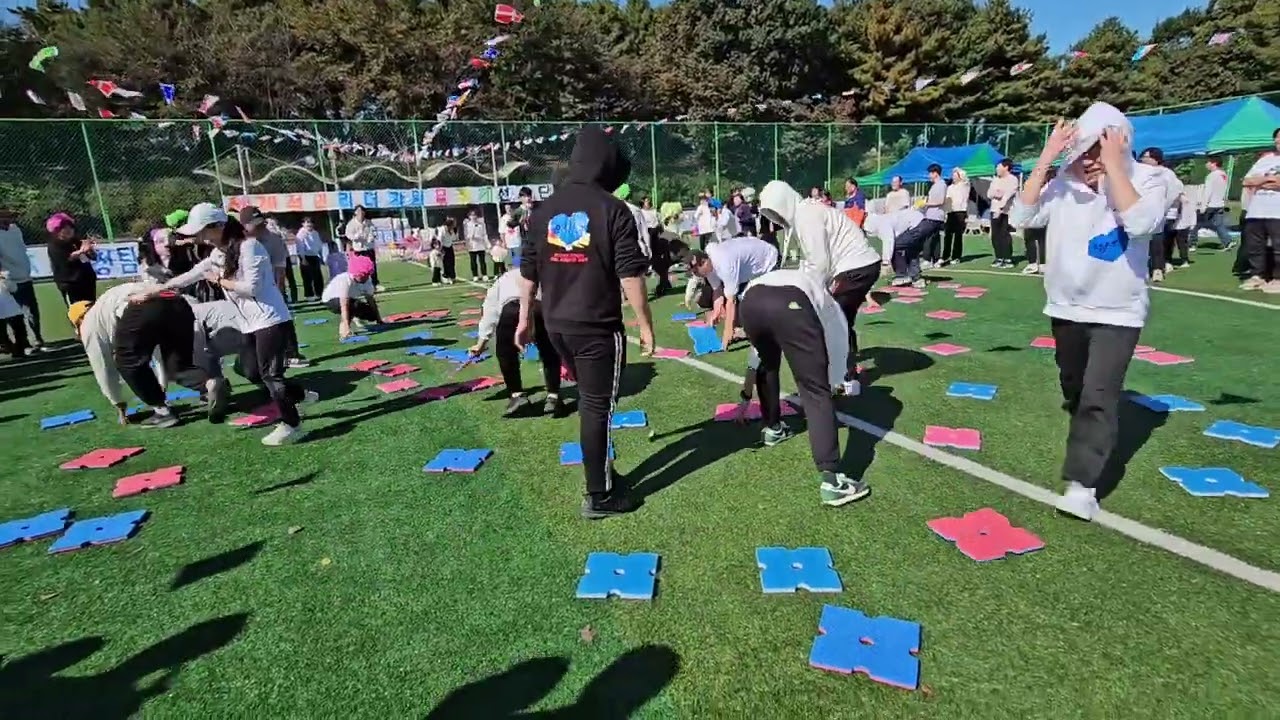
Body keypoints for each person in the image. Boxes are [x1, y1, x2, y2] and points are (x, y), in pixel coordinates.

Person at [1011, 103, 1166, 521]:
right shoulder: (1063, 184)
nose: (1090, 162)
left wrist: (1115, 169)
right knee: (1074, 385)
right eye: (1084, 153)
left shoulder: (1153, 179)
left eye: (1099, 150)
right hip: (1066, 306)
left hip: (1119, 311)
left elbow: (1140, 225)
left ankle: (1082, 485)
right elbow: (1021, 215)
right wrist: (1047, 160)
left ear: (1121, 145)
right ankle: (1088, 420)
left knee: (1098, 394)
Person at [518, 126, 656, 519]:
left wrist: (525, 318)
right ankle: (600, 495)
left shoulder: (544, 209)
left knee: (590, 406)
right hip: (596, 327)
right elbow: (630, 273)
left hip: (557, 325)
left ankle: (603, 476)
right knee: (597, 409)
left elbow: (528, 270)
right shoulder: (613, 209)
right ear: (604, 163)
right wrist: (645, 324)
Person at [135, 202, 316, 445]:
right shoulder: (218, 253)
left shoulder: (250, 247)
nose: (198, 237)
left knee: (270, 375)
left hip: (271, 319)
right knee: (252, 371)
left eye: (203, 230)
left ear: (219, 226)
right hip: (249, 322)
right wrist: (155, 291)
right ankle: (302, 394)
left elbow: (252, 288)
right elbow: (191, 275)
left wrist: (219, 280)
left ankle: (292, 425)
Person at [737, 268, 870, 506]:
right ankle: (832, 482)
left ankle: (772, 428)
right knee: (815, 390)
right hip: (790, 303)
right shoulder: (828, 304)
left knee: (768, 366)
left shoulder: (779, 279)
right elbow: (838, 353)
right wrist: (843, 385)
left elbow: (755, 358)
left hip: (750, 303)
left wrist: (746, 396)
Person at [758, 180, 882, 395]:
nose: (776, 218)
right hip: (856, 266)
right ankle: (844, 373)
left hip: (856, 266)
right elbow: (802, 262)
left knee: (836, 321)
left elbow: (819, 263)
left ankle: (845, 377)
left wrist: (808, 294)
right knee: (839, 320)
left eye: (776, 212)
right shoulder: (801, 217)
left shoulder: (807, 216)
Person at [68, 281, 223, 428]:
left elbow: (103, 367)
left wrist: (118, 402)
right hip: (177, 302)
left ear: (78, 322)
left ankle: (163, 413)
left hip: (143, 305)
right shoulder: (108, 303)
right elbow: (156, 354)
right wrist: (161, 384)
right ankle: (209, 385)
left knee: (126, 361)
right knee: (177, 366)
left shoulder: (89, 323)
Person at [469, 267, 564, 416]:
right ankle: (553, 396)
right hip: (540, 308)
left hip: (512, 309)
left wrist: (481, 342)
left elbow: (490, 311)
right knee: (549, 353)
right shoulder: (544, 273)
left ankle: (517, 394)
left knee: (505, 353)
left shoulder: (502, 280)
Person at [685, 235, 779, 351]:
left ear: (704, 262)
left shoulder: (725, 264)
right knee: (744, 303)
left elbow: (731, 301)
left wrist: (728, 331)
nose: (696, 275)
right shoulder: (709, 260)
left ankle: (770, 332)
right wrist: (716, 312)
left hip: (768, 261)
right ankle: (746, 329)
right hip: (749, 266)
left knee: (757, 303)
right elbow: (717, 291)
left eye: (696, 272)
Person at [243, 207, 308, 368]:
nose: (260, 227)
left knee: (283, 319)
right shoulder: (239, 241)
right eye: (254, 225)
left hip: (270, 288)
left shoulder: (273, 240)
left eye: (261, 223)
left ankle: (292, 353)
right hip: (246, 290)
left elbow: (280, 269)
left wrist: (279, 292)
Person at [1239, 128, 1280, 293]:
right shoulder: (1265, 159)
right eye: (1277, 138)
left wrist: (1264, 182)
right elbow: (1247, 181)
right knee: (1255, 245)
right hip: (1257, 210)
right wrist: (1267, 179)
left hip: (1277, 212)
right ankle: (1258, 275)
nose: (1279, 141)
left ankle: (1277, 278)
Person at [0, 208, 46, 350]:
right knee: (11, 314)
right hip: (8, 279)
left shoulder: (15, 230)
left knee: (32, 310)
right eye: (4, 216)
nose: (8, 219)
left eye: (9, 216)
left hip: (24, 276)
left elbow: (21, 249)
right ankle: (11, 342)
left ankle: (36, 338)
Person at [1137, 147, 1183, 283]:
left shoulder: (1167, 174)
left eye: (1146, 157)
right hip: (1142, 213)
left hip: (1163, 213)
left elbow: (1173, 192)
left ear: (1155, 158)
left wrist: (1160, 208)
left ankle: (1158, 269)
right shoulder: (1141, 172)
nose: (1143, 160)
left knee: (1157, 240)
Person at [864, 208, 929, 288]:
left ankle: (902, 275)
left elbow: (889, 241)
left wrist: (885, 262)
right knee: (911, 249)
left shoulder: (881, 224)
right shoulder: (882, 219)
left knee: (897, 245)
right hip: (922, 222)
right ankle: (916, 277)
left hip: (918, 224)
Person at [322, 254, 382, 338]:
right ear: (355, 274)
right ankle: (343, 330)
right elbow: (344, 305)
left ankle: (354, 317)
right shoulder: (345, 280)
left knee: (371, 315)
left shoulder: (367, 279)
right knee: (352, 305)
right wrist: (346, 326)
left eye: (367, 275)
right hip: (331, 300)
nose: (365, 278)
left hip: (351, 300)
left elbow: (370, 299)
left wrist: (379, 319)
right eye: (362, 276)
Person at [46, 212, 98, 305]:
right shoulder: (54, 245)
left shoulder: (76, 241)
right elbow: (67, 259)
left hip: (86, 280)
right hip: (70, 283)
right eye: (64, 228)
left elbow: (92, 257)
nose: (69, 230)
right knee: (77, 311)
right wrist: (82, 250)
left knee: (91, 308)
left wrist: (90, 250)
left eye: (70, 227)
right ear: (57, 231)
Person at [1020, 167, 1055, 275]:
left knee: (1036, 239)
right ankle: (1037, 263)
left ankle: (1037, 263)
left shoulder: (1049, 187)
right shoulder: (1047, 186)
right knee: (1036, 239)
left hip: (1039, 215)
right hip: (1037, 215)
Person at [1195, 156, 1233, 252]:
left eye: (1208, 162)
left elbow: (1208, 191)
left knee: (1196, 223)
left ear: (1214, 163)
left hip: (1211, 204)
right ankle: (1228, 241)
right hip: (1220, 203)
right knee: (1218, 224)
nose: (1206, 164)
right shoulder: (1223, 174)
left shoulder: (1211, 176)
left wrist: (1203, 205)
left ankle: (1191, 244)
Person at [987, 159, 1018, 268]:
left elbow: (1008, 194)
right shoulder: (995, 180)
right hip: (994, 209)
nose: (997, 169)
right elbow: (989, 194)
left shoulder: (1013, 179)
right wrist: (996, 193)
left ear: (1006, 167)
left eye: (998, 167)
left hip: (1005, 211)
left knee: (1004, 234)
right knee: (995, 234)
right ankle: (998, 257)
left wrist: (1001, 206)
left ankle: (1008, 258)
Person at [344, 205, 382, 291]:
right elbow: (348, 235)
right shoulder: (351, 224)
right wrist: (356, 237)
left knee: (372, 267)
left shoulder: (369, 222)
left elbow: (373, 232)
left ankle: (375, 284)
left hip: (368, 248)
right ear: (355, 212)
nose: (360, 213)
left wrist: (371, 237)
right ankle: (359, 286)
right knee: (360, 269)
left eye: (362, 211)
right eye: (358, 211)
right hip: (358, 249)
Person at [919, 164, 947, 269]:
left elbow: (940, 201)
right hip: (932, 215)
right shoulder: (935, 185)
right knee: (935, 237)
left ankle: (927, 259)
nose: (929, 176)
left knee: (928, 237)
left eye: (930, 173)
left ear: (935, 173)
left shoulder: (941, 185)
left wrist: (926, 204)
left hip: (935, 215)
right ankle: (936, 259)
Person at [942, 168, 970, 267]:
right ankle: (945, 256)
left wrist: (959, 171)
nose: (953, 177)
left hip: (960, 212)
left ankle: (956, 256)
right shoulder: (950, 187)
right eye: (952, 175)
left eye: (955, 175)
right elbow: (947, 200)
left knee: (958, 235)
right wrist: (945, 212)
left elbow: (966, 181)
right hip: (951, 212)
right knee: (948, 235)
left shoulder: (964, 185)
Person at [0, 269, 29, 358]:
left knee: (19, 329)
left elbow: (14, 289)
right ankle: (9, 347)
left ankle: (19, 350)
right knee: (1, 334)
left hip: (11, 307)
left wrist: (5, 281)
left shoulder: (4, 275)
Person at [295, 217, 325, 300]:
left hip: (315, 256)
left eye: (311, 222)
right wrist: (303, 258)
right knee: (307, 277)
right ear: (303, 224)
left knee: (318, 276)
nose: (309, 224)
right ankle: (309, 295)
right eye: (307, 222)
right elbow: (300, 247)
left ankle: (320, 293)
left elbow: (319, 245)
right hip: (305, 256)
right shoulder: (301, 234)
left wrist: (321, 256)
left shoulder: (315, 233)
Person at [464, 208, 490, 281]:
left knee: (482, 261)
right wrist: (470, 238)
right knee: (473, 261)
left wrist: (487, 244)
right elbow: (466, 235)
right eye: (472, 215)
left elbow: (484, 234)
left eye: (475, 215)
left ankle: (484, 274)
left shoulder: (481, 224)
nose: (473, 217)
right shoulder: (467, 225)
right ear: (469, 216)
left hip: (480, 245)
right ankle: (475, 275)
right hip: (472, 246)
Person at [439, 218, 460, 284]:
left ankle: (452, 276)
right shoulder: (443, 229)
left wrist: (455, 232)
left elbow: (454, 238)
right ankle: (445, 276)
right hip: (443, 247)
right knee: (445, 263)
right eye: (453, 223)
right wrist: (440, 248)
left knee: (452, 262)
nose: (454, 225)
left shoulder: (452, 229)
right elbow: (440, 238)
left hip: (450, 246)